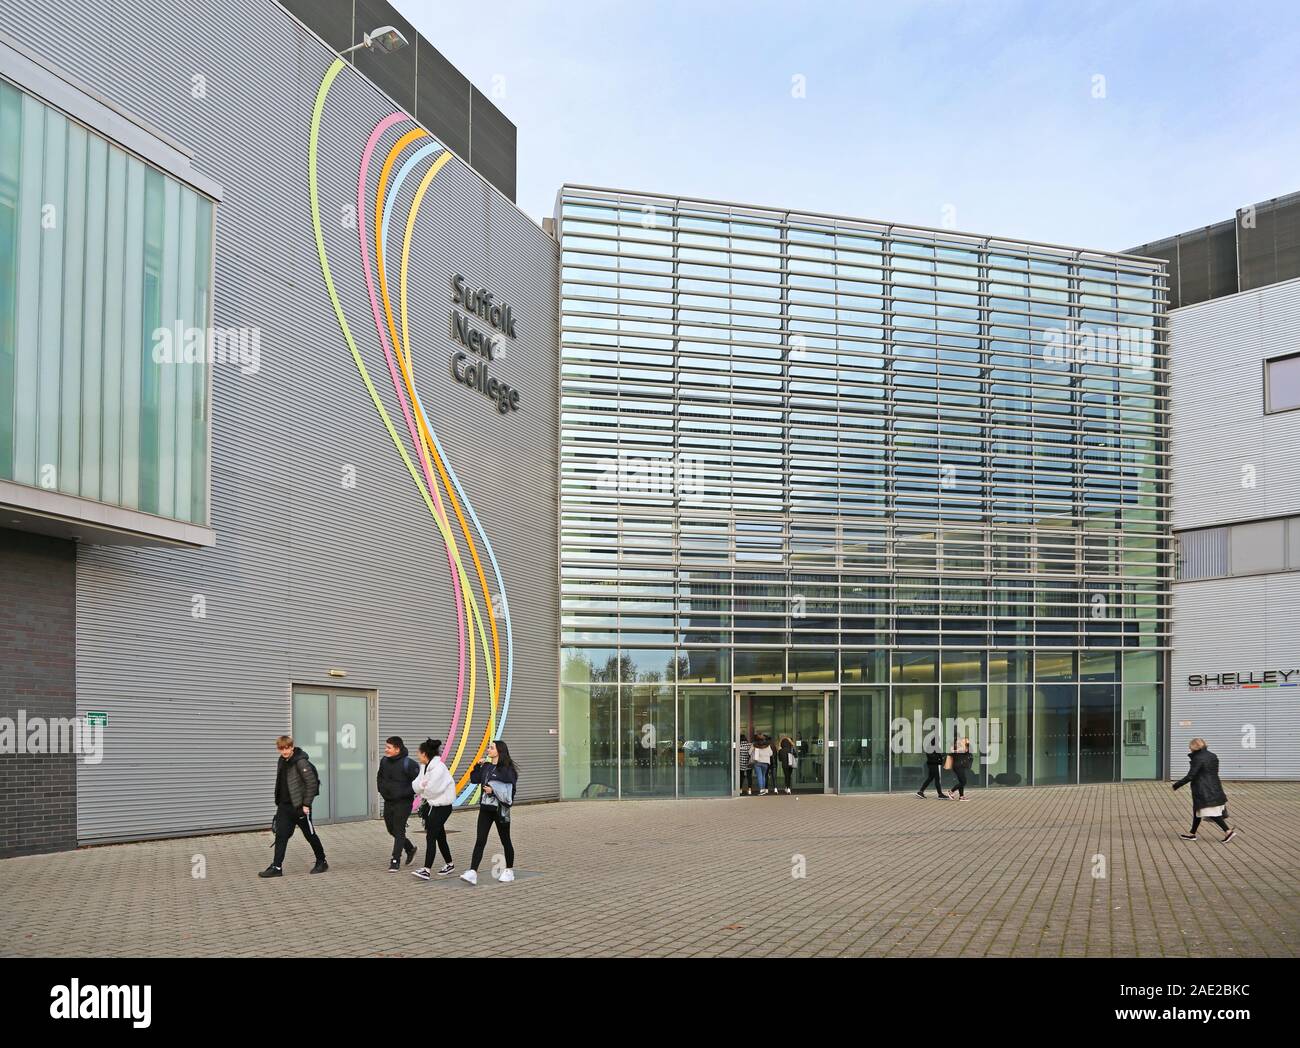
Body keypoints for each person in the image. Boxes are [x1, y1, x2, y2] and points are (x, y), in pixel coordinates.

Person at [260, 735, 328, 877]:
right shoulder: (282, 760)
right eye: (281, 749)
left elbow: (312, 784)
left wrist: (306, 804)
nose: (284, 751)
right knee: (281, 835)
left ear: (292, 747)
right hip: (284, 807)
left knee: (310, 835)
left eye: (287, 748)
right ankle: (277, 867)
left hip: (299, 807)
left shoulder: (301, 762)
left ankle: (322, 861)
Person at [462, 740, 519, 885]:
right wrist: (477, 766)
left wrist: (493, 790)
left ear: (499, 751)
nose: (488, 750)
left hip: (500, 810)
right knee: (480, 840)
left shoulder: (507, 770)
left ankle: (509, 870)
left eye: (491, 748)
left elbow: (509, 790)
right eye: (489, 748)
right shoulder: (487, 767)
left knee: (505, 840)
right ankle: (472, 872)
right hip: (485, 809)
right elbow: (474, 779)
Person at [1174, 738, 1237, 842]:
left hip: (1203, 789)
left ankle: (1228, 831)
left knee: (1211, 812)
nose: (1189, 748)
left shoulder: (1198, 758)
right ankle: (1192, 833)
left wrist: (1177, 785)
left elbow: (1191, 776)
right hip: (1214, 786)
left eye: (1190, 746)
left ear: (1194, 746)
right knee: (1197, 811)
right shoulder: (1213, 755)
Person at [411, 737, 457, 880]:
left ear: (425, 754)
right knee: (440, 836)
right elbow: (416, 785)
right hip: (433, 805)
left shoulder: (439, 768)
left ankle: (426, 869)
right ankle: (449, 864)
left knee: (431, 836)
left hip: (442, 807)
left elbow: (432, 789)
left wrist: (423, 788)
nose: (417, 755)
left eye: (419, 753)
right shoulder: (424, 767)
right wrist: (422, 787)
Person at [377, 735, 419, 871]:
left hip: (403, 803)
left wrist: (404, 793)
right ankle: (410, 849)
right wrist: (381, 789)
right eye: (386, 747)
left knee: (399, 829)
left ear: (397, 749)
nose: (386, 750)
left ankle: (395, 860)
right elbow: (380, 776)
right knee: (391, 829)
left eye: (388, 748)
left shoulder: (409, 764)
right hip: (388, 801)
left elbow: (418, 783)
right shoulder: (384, 761)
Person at [946, 737, 973, 801]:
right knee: (964, 781)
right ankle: (951, 791)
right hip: (958, 766)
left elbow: (968, 749)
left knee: (961, 782)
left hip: (960, 766)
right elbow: (953, 752)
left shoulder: (962, 748)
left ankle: (961, 796)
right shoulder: (955, 748)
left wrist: (968, 743)